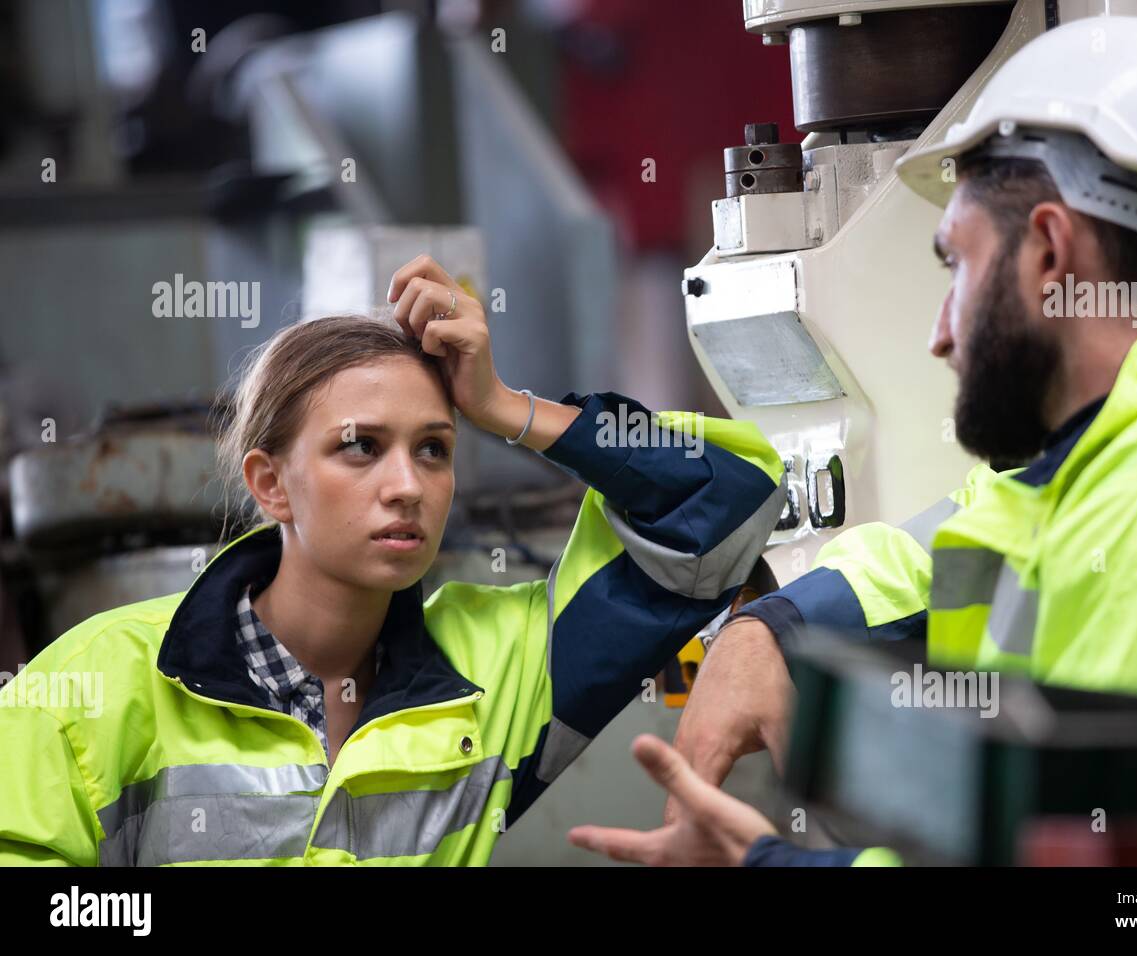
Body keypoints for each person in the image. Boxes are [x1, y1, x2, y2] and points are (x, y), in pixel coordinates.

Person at [570, 15, 1137, 867]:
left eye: (958, 265)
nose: (940, 334)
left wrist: (763, 865)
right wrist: (776, 626)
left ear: (1051, 253)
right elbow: (959, 537)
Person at [0, 255, 787, 866]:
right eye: (361, 449)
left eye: (435, 450)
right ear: (271, 484)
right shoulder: (97, 684)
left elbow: (726, 501)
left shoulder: (499, 671)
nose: (407, 486)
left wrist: (508, 408)